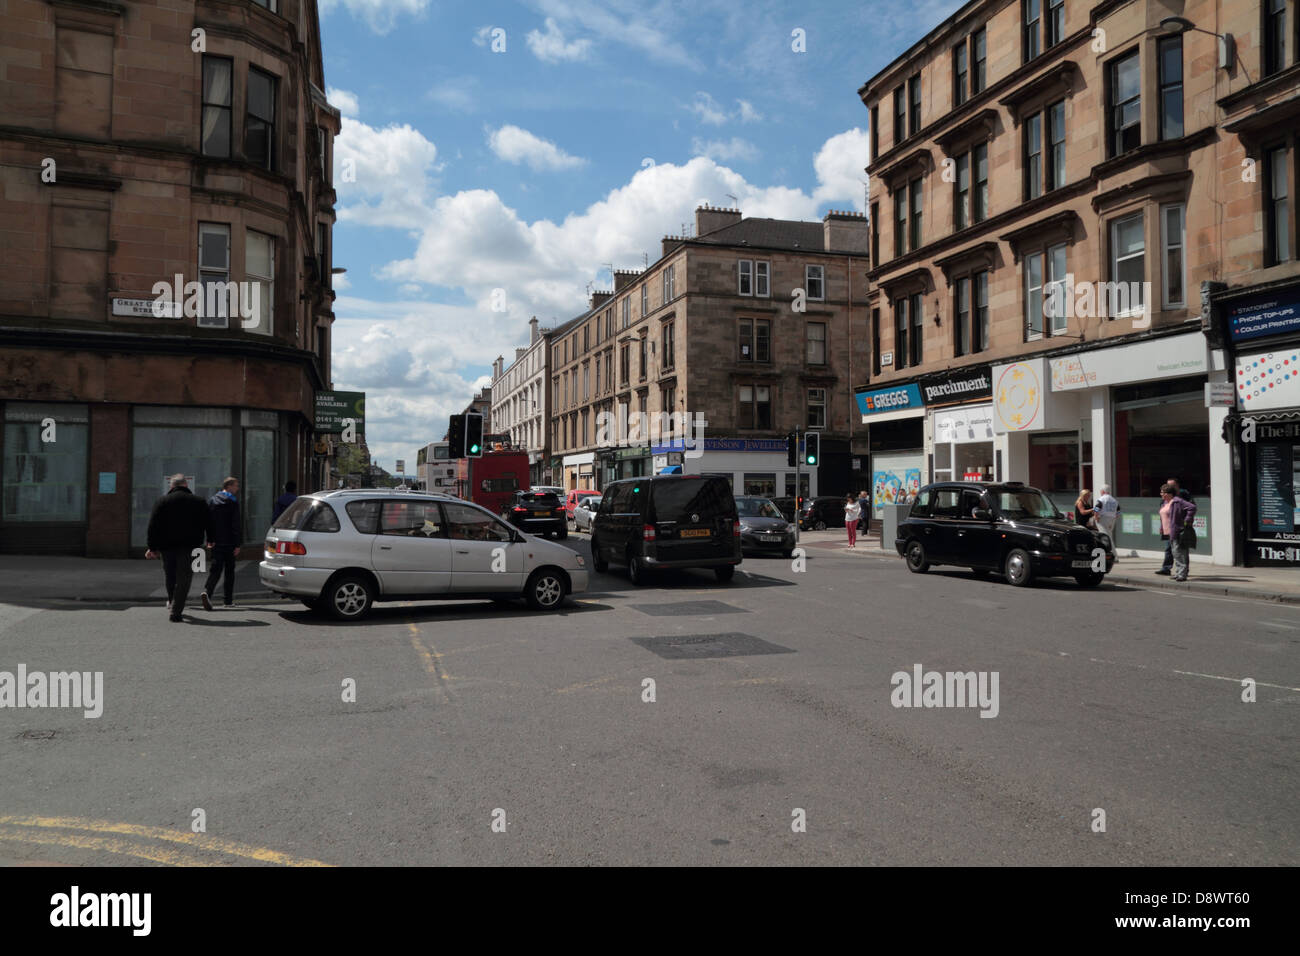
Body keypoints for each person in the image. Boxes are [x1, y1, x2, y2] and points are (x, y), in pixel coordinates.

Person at [145, 474, 214, 622]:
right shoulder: (199, 501)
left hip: (166, 547)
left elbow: (153, 526)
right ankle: (176, 610)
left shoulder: (162, 501)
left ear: (171, 486)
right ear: (186, 485)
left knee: (170, 575)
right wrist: (211, 539)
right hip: (190, 546)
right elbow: (209, 522)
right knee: (184, 578)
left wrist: (152, 547)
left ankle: (171, 600)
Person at [201, 477, 241, 610]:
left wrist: (210, 539)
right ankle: (228, 601)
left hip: (217, 542)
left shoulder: (213, 500)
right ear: (229, 486)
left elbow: (208, 522)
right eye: (235, 486)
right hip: (229, 542)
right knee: (229, 572)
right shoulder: (233, 502)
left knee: (215, 570)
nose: (237, 488)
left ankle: (207, 592)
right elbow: (235, 524)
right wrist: (237, 544)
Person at [1157, 478, 1193, 575]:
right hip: (1168, 530)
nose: (1161, 494)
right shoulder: (1165, 502)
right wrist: (1162, 527)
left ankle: (1182, 572)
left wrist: (1186, 521)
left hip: (1178, 529)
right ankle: (1171, 570)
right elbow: (1164, 516)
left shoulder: (1179, 499)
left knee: (1180, 551)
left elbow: (1191, 507)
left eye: (1171, 486)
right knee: (1172, 550)